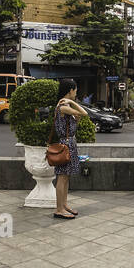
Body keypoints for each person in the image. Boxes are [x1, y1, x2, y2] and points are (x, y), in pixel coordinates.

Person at [51, 89, 87, 219]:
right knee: (62, 177)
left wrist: (76, 119)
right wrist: (72, 102)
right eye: (75, 91)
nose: (76, 93)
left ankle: (64, 205)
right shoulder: (63, 107)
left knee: (66, 177)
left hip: (70, 144)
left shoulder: (66, 107)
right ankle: (59, 209)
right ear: (70, 91)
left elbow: (73, 124)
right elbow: (85, 113)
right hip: (65, 146)